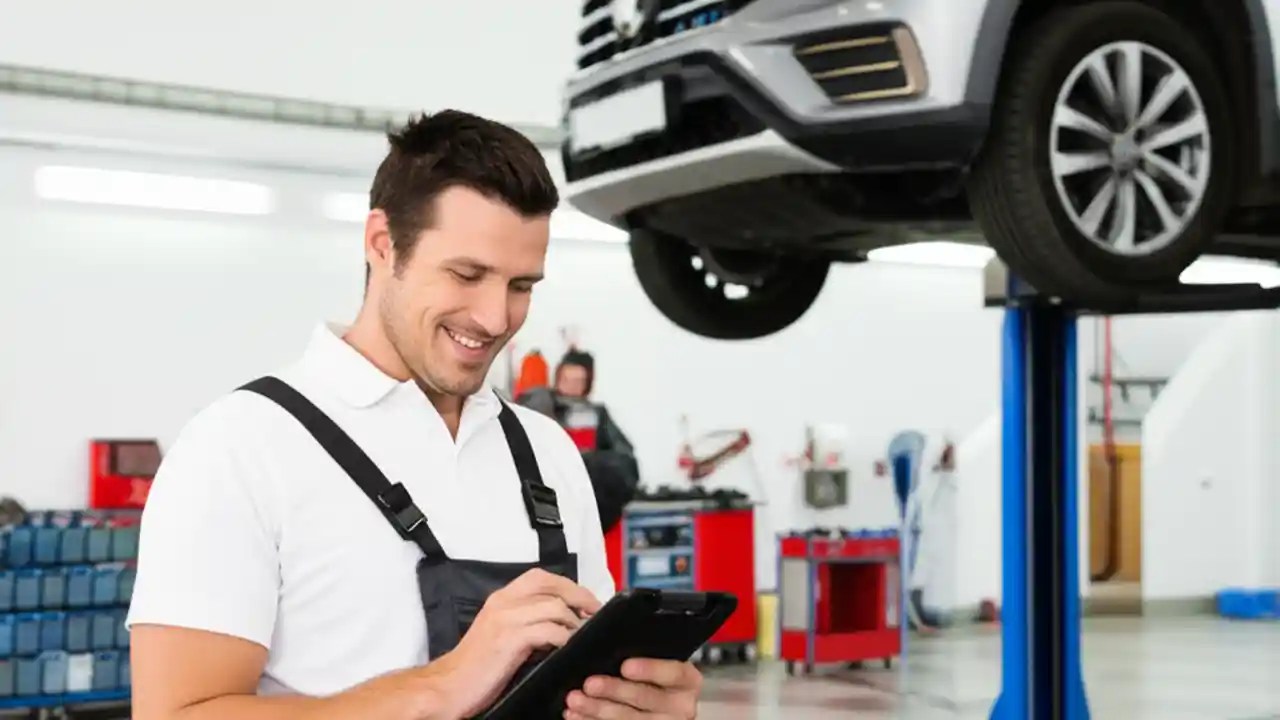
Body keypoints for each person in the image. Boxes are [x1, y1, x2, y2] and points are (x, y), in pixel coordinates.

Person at [126, 110, 703, 720]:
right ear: (382, 243)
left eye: (521, 286)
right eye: (467, 274)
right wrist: (441, 685)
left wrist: (637, 703)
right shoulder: (241, 447)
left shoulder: (546, 453)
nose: (494, 317)